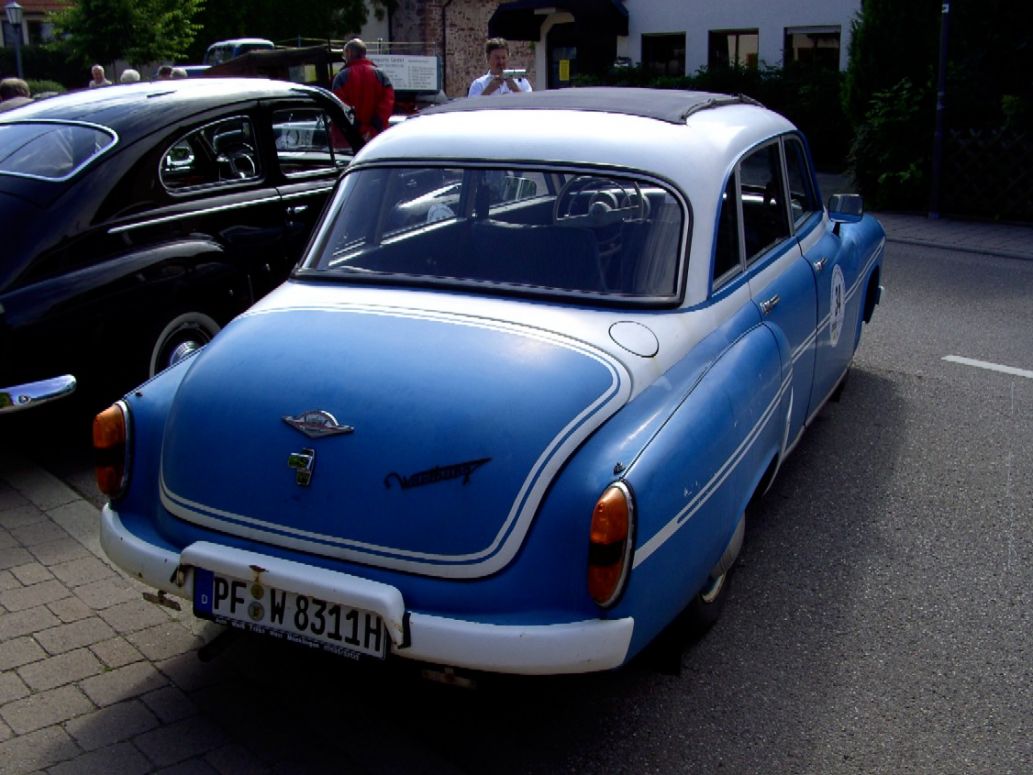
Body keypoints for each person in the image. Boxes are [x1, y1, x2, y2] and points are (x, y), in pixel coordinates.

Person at [331, 38, 395, 142]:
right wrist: (372, 129)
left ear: (349, 53)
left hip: (347, 139)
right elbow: (388, 103)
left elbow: (340, 108)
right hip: (377, 138)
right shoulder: (381, 76)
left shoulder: (341, 77)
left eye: (344, 54)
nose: (344, 58)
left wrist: (360, 129)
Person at [468, 38, 532, 97]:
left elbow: (530, 104)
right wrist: (488, 90)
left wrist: (516, 89)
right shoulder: (478, 84)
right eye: (497, 58)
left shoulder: (521, 81)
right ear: (488, 58)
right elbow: (471, 107)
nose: (501, 62)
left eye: (503, 58)